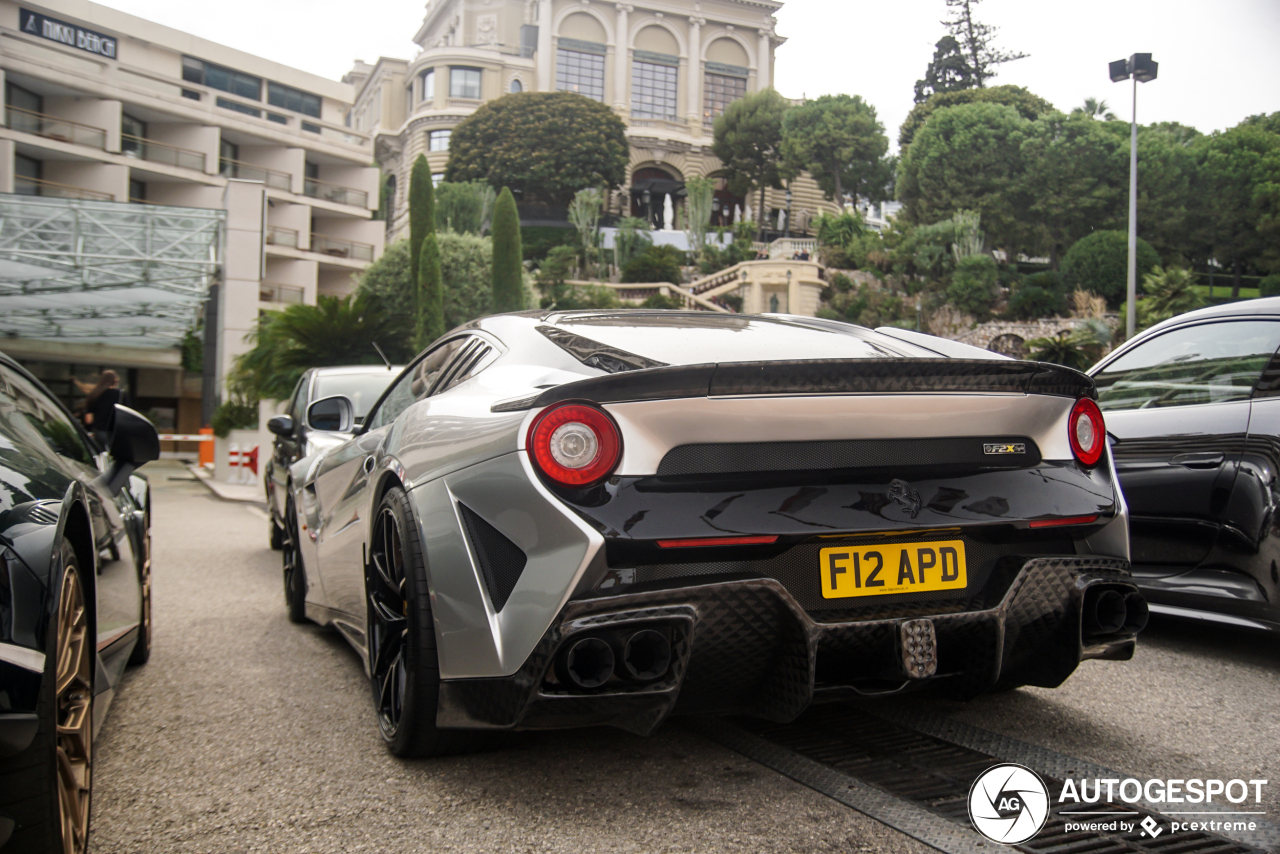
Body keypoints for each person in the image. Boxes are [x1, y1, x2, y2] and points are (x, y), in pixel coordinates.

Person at [77, 370, 126, 447]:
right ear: (115, 381)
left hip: (99, 432)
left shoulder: (94, 394)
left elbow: (88, 420)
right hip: (116, 433)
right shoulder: (121, 395)